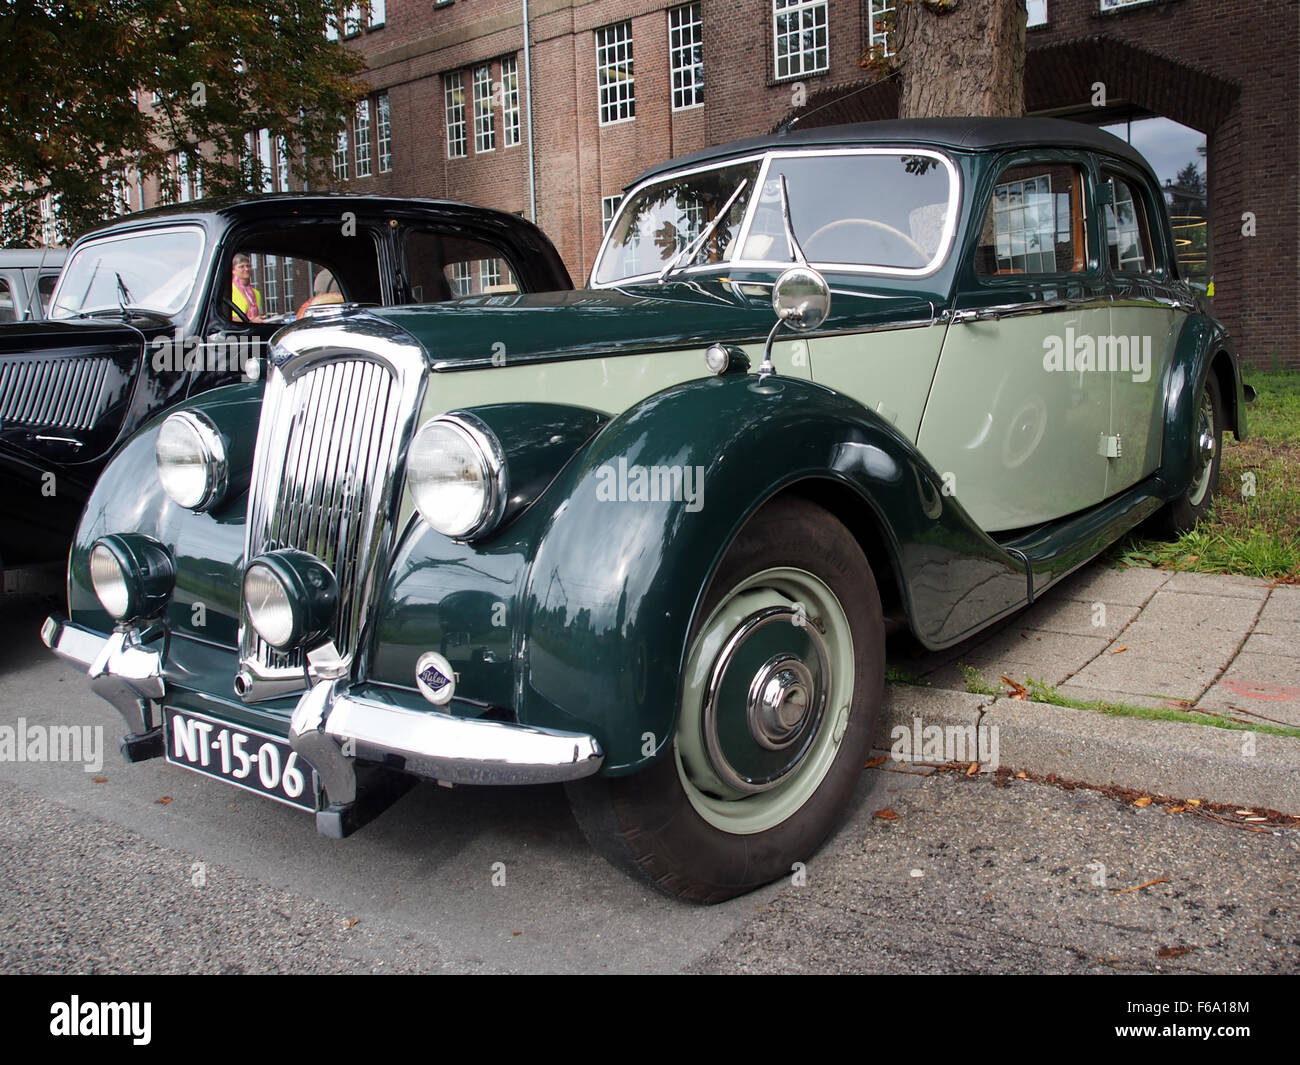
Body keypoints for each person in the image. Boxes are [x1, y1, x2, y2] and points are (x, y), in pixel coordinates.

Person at [230, 253, 264, 322]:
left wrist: (270, 318)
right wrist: (251, 321)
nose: (246, 269)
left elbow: (258, 316)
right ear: (233, 271)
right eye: (241, 266)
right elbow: (227, 318)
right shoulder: (229, 290)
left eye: (248, 266)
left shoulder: (256, 293)